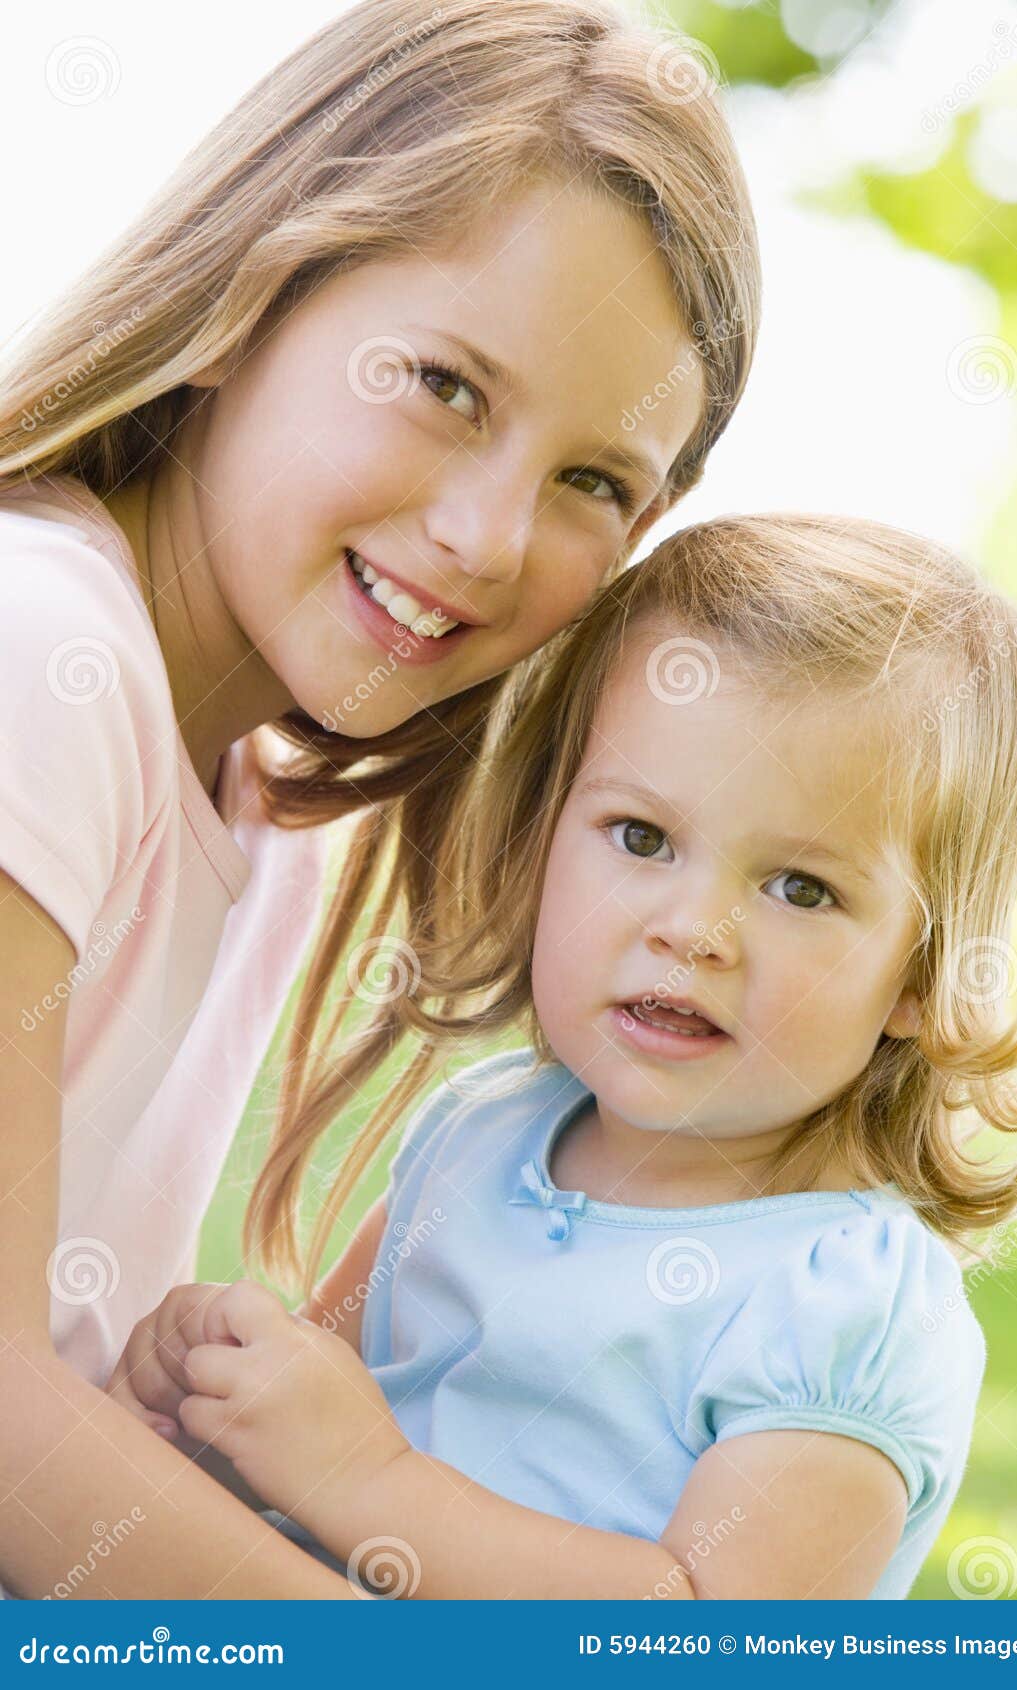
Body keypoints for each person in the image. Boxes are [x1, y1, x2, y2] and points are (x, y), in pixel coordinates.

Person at [0, 0, 760, 1598]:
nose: (488, 536)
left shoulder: (265, 806)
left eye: (591, 483)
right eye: (443, 384)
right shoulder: (37, 651)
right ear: (238, 298)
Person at [112, 511, 1017, 1600]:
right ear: (544, 830)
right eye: (641, 837)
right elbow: (309, 1408)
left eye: (800, 888)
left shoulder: (836, 1306)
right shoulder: (479, 1136)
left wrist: (368, 1481)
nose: (692, 928)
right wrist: (216, 1390)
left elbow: (721, 1640)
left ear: (917, 976)